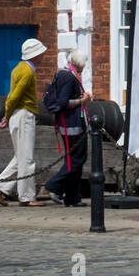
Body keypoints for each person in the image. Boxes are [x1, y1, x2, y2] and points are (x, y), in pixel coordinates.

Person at [0, 38, 47, 206]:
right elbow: (14, 96)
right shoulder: (28, 72)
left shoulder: (18, 69)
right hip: (24, 116)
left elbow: (12, 94)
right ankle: (27, 197)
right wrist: (6, 115)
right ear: (35, 55)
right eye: (41, 53)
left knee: (20, 157)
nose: (43, 56)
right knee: (27, 159)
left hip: (17, 116)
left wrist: (8, 116)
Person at [43, 49, 93, 207]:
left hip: (74, 124)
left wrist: (81, 98)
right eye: (83, 64)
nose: (84, 67)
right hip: (71, 125)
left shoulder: (69, 75)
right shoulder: (68, 77)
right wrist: (82, 100)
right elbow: (64, 103)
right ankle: (53, 186)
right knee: (76, 160)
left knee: (75, 160)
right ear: (78, 63)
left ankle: (72, 197)